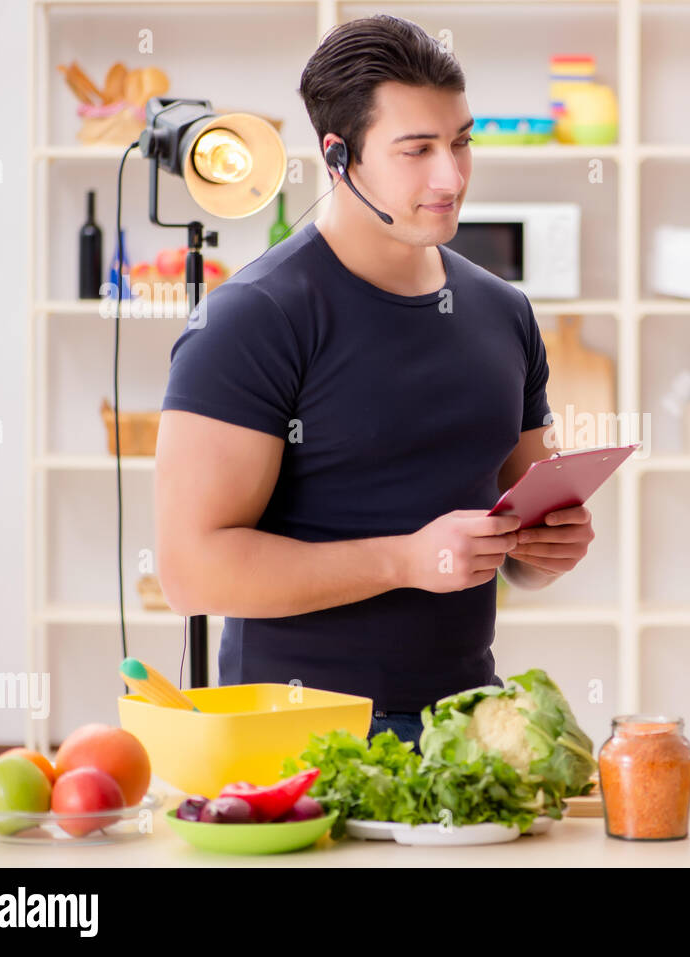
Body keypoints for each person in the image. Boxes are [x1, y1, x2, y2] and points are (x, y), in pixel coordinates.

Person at [154, 15, 594, 748]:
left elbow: (518, 540)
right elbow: (190, 571)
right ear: (339, 156)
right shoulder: (255, 318)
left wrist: (545, 551)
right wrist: (405, 559)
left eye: (460, 142)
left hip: (468, 728)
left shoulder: (504, 311)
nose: (450, 177)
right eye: (416, 150)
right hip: (297, 739)